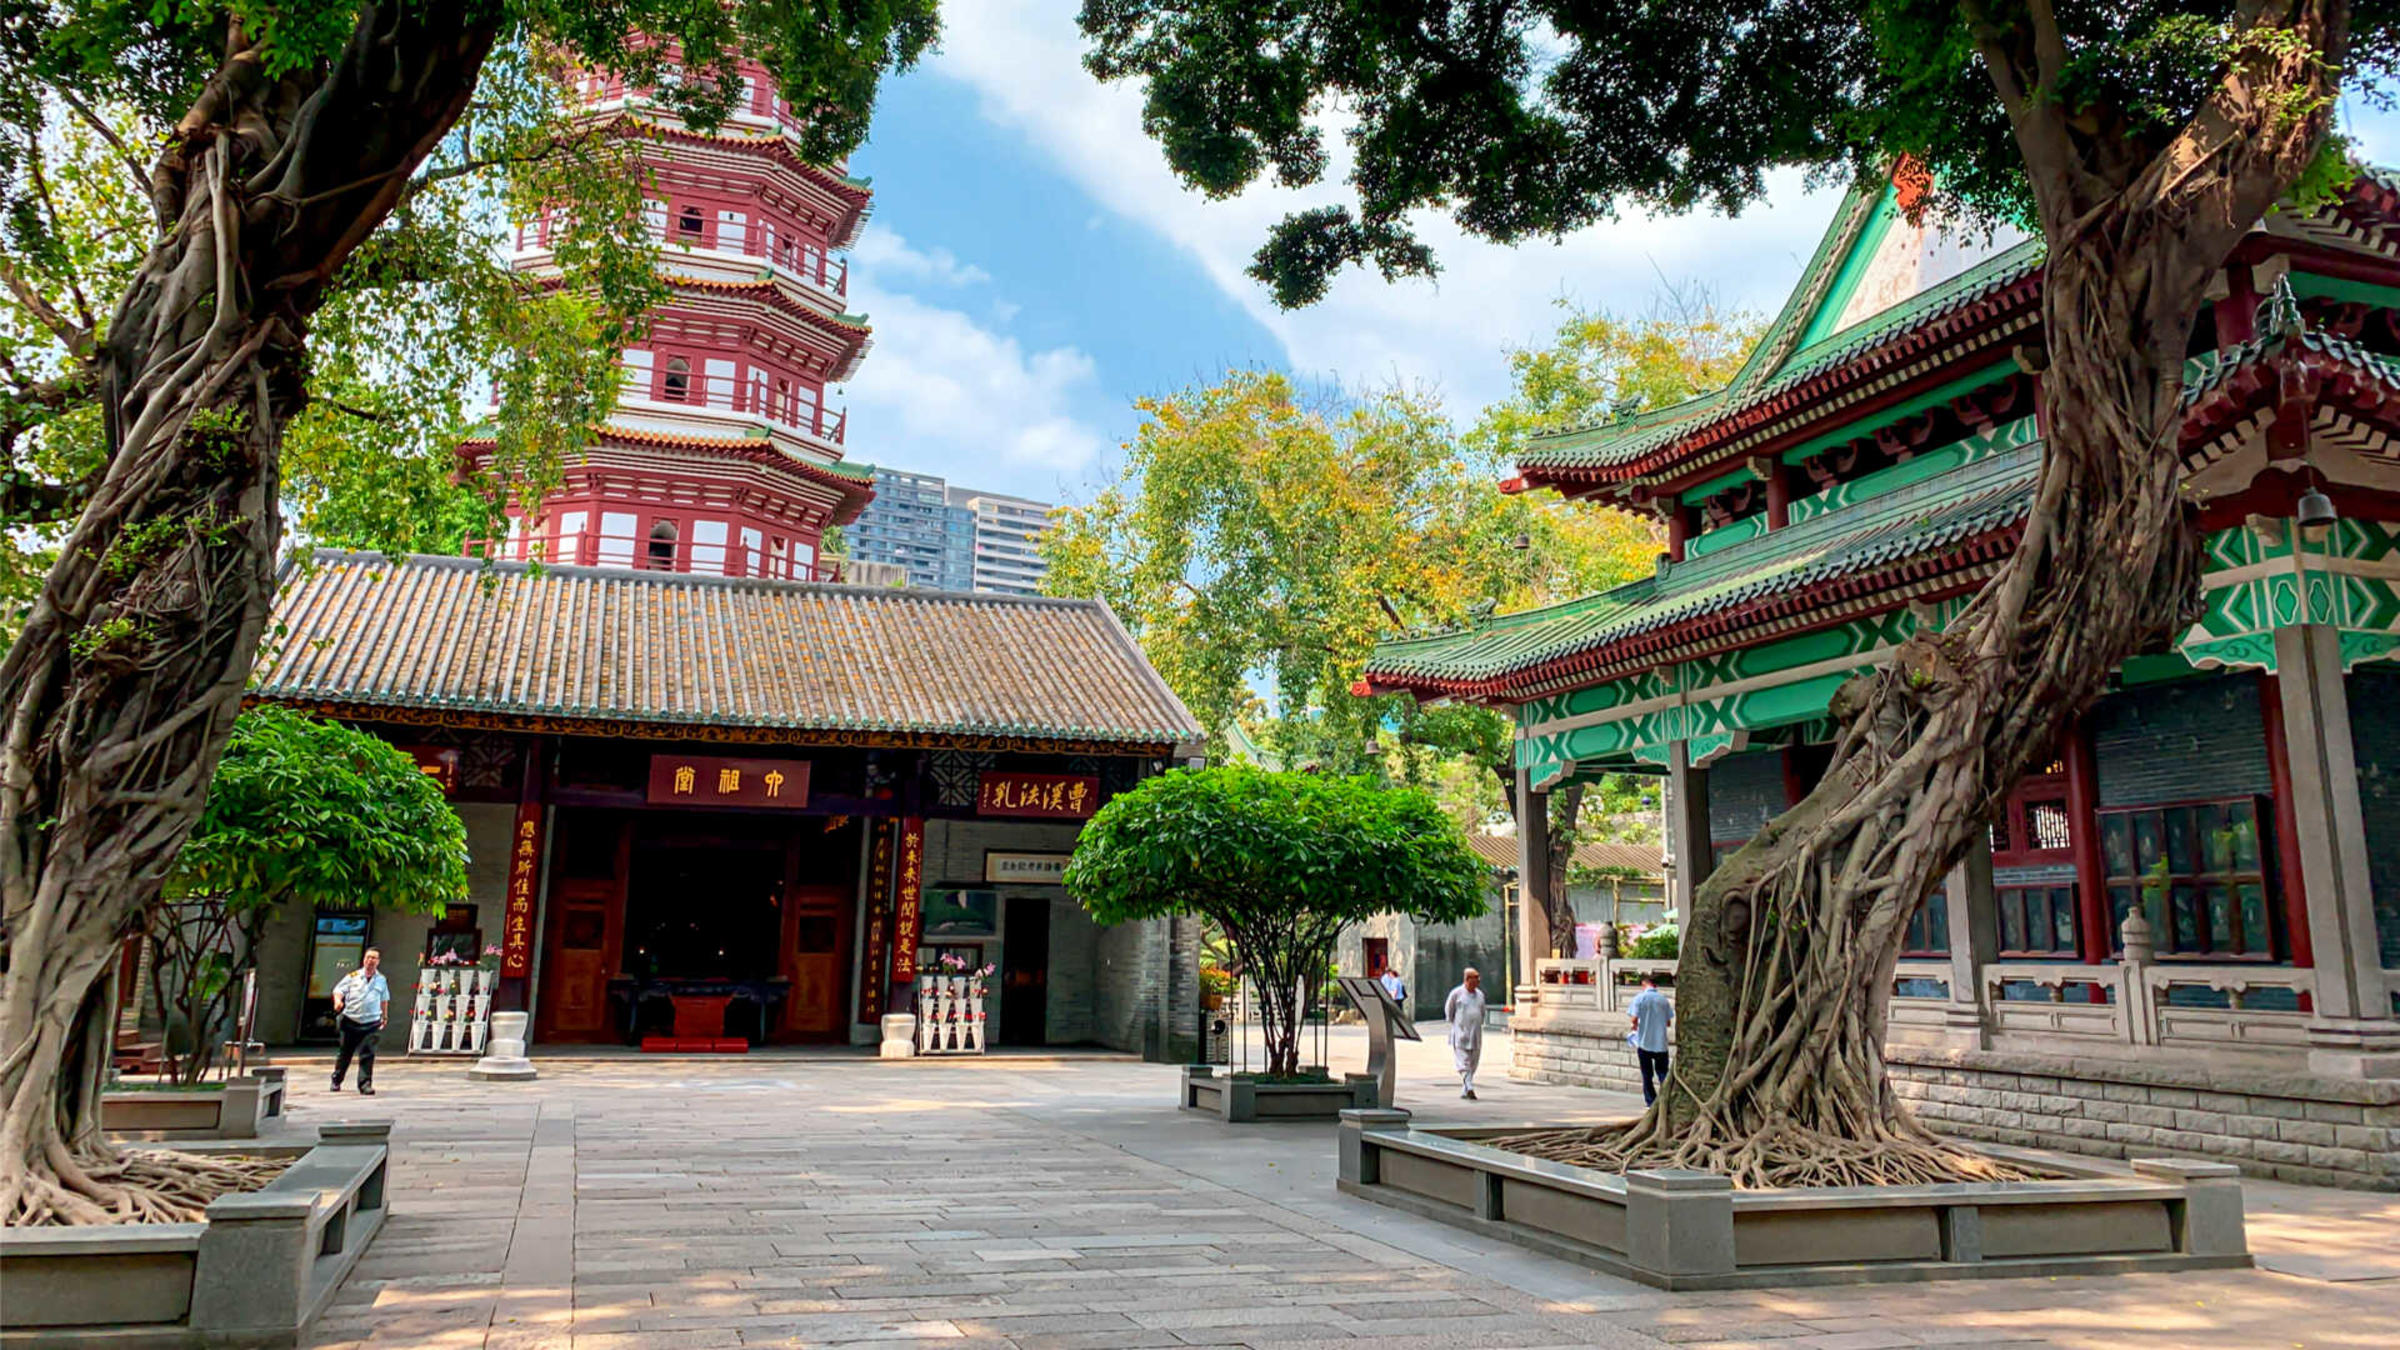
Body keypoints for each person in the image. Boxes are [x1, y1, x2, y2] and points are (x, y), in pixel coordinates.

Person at [330, 949, 390, 1096]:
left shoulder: (381, 980)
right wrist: (338, 1001)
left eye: (374, 958)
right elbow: (338, 990)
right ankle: (337, 1079)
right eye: (369, 957)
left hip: (371, 1022)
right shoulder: (353, 976)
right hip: (351, 1020)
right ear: (364, 959)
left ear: (378, 961)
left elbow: (384, 999)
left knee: (367, 1054)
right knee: (345, 1053)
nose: (371, 960)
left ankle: (365, 1084)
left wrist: (385, 1016)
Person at [1627, 975, 1674, 1106]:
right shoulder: (1663, 1000)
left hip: (1644, 1043)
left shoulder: (1639, 999)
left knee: (1647, 1075)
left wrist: (1635, 1026)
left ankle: (1651, 1101)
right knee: (1663, 1073)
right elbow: (1668, 1022)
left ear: (1644, 984)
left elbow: (1634, 1019)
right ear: (1655, 985)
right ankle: (1666, 1099)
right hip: (1661, 1044)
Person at [1443, 967, 1486, 1100]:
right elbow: (1449, 1011)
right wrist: (1456, 1024)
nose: (1476, 983)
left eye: (1477, 981)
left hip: (1475, 1033)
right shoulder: (1457, 994)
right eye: (1474, 980)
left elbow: (1482, 1011)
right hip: (1461, 1033)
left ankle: (1465, 1088)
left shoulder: (1480, 995)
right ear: (1466, 980)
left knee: (1473, 1062)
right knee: (1463, 1061)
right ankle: (1469, 1086)